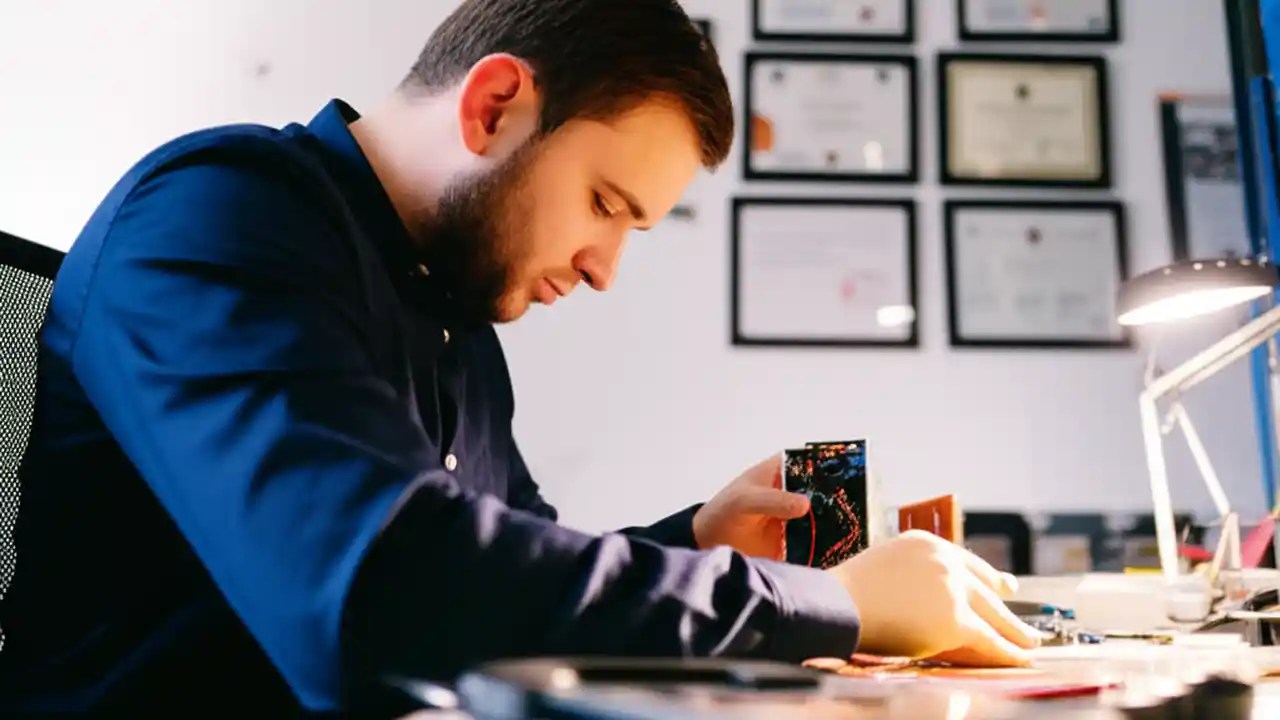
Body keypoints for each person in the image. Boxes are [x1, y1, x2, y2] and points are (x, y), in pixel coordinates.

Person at [0, 0, 1041, 713]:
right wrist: (833, 605)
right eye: (604, 204)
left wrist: (693, 539)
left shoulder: (456, 316)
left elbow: (500, 576)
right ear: (494, 105)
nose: (604, 269)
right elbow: (383, 595)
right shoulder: (219, 214)